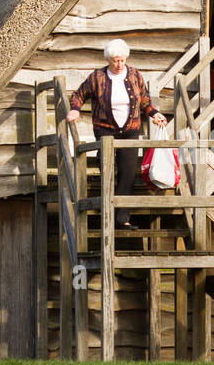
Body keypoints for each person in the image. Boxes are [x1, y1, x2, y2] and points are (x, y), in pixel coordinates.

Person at [66, 39, 168, 228]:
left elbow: (144, 100)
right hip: (105, 129)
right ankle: (106, 212)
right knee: (106, 167)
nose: (119, 64)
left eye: (122, 60)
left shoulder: (135, 75)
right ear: (108, 59)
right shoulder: (97, 77)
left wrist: (155, 114)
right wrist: (75, 109)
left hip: (130, 130)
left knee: (128, 172)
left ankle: (122, 218)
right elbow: (79, 94)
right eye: (115, 61)